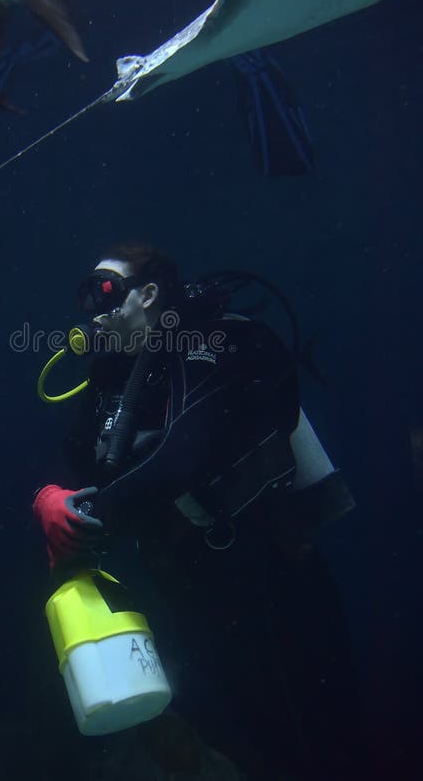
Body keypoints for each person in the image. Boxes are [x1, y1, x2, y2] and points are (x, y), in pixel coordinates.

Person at [33, 242, 360, 781]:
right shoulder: (113, 378)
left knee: (317, 737)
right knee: (242, 741)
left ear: (149, 294)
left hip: (270, 574)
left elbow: (181, 457)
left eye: (106, 290)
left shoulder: (212, 344)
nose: (93, 308)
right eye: (86, 294)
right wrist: (51, 498)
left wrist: (92, 512)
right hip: (190, 589)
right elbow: (83, 460)